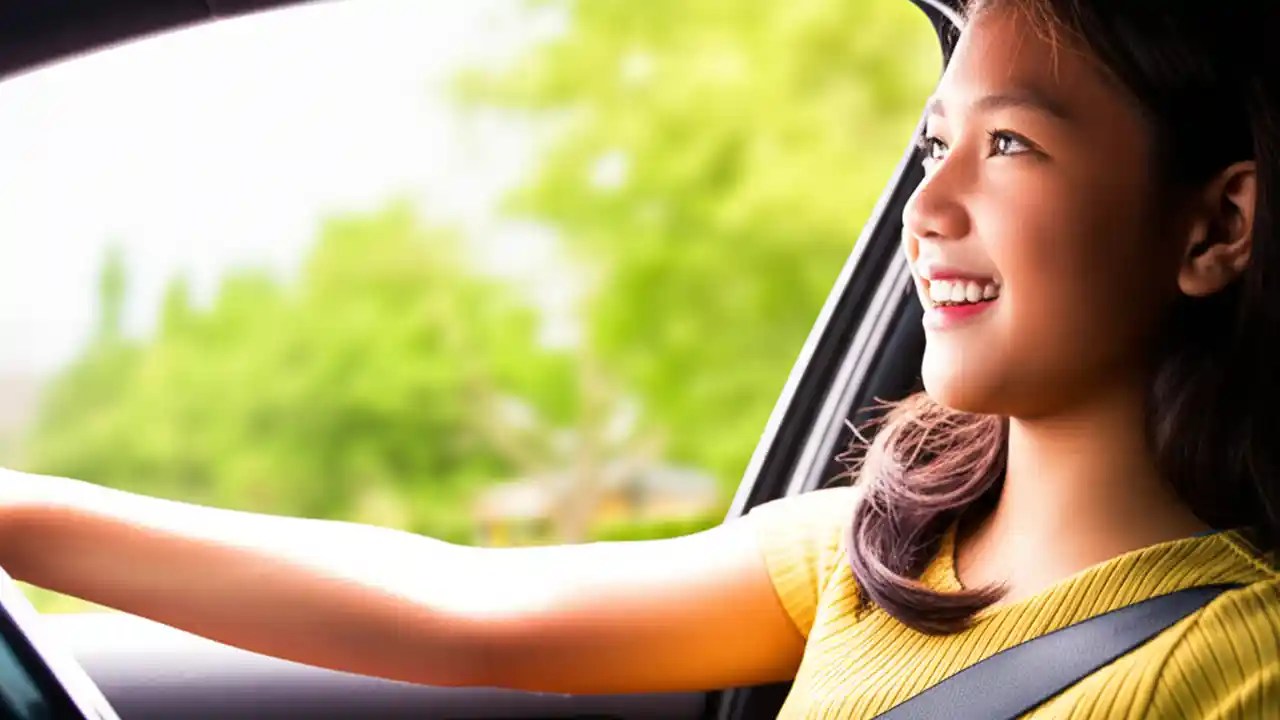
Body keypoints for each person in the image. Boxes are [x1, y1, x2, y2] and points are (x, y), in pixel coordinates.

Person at [1, 0, 1278, 716]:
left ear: (1214, 223)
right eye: (932, 139)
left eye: (1008, 147)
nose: (926, 204)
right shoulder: (874, 551)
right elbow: (467, 614)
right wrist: (22, 516)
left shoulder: (1239, 661)